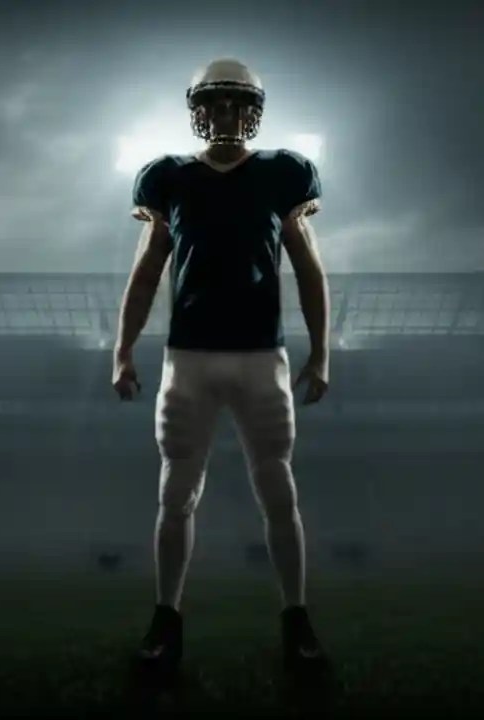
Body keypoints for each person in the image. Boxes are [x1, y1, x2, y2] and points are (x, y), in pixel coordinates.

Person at [111, 57, 331, 678]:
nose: (226, 114)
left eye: (237, 103)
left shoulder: (281, 175)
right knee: (175, 492)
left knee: (277, 491)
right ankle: (166, 619)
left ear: (253, 109)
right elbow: (148, 270)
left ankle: (297, 618)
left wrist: (321, 351)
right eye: (216, 103)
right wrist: (123, 350)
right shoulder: (169, 178)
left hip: (263, 355)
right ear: (197, 109)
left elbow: (310, 269)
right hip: (189, 358)